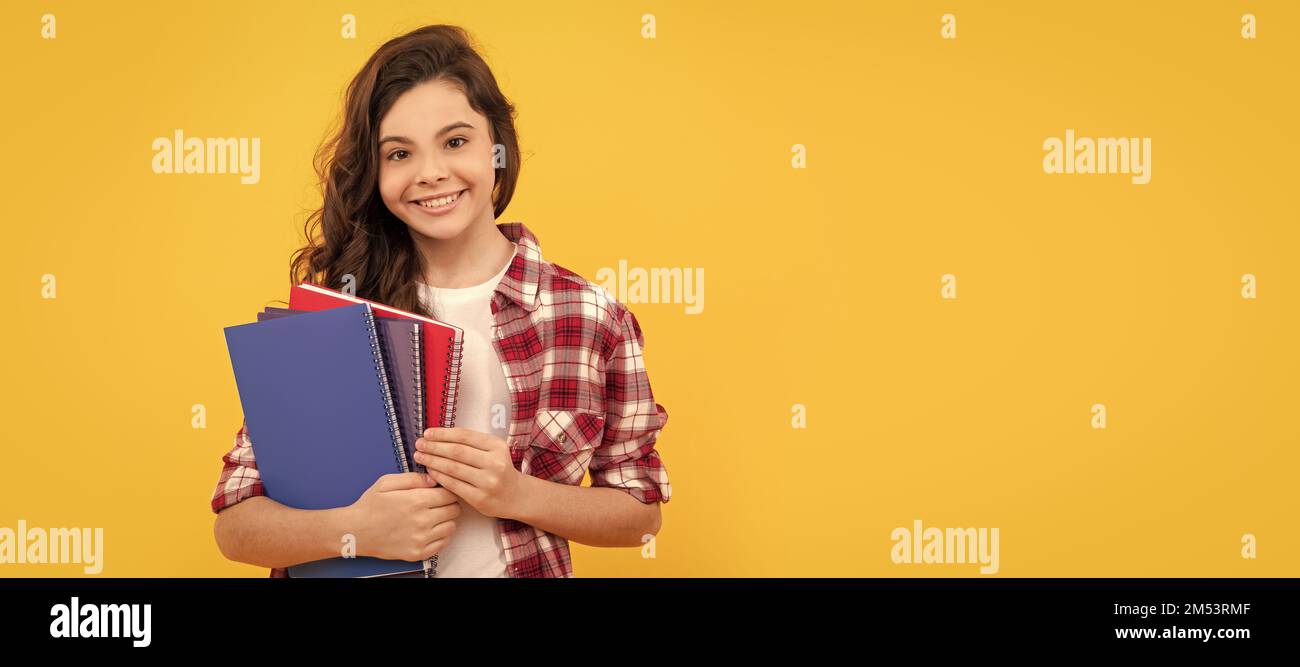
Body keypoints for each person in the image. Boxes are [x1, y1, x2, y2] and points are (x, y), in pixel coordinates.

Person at [211, 24, 670, 578]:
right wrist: (354, 529)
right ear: (374, 171)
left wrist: (518, 494)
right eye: (400, 153)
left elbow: (639, 514)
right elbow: (235, 526)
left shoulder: (588, 315)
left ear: (497, 146)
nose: (431, 173)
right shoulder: (332, 313)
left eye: (456, 142)